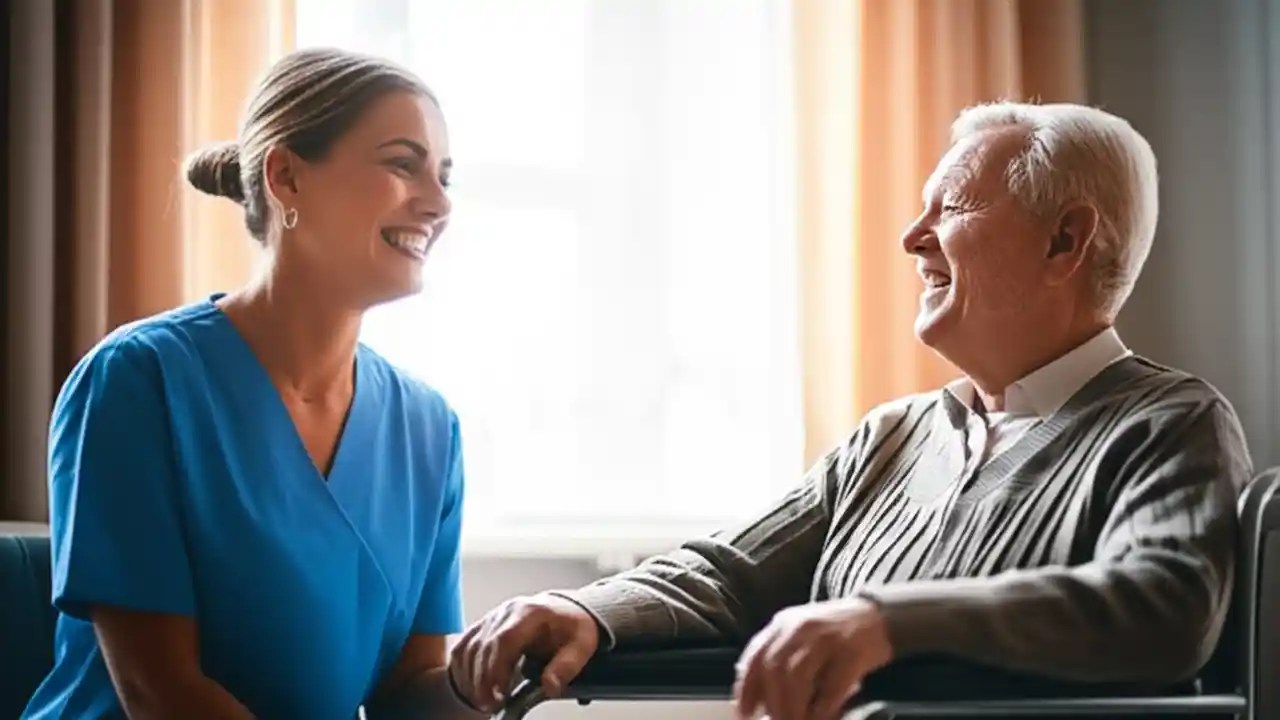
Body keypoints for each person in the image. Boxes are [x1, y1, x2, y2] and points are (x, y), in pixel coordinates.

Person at [450, 102, 1254, 720]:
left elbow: (1162, 606)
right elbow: (729, 574)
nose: (913, 238)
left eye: (953, 207)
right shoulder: (891, 438)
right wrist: (584, 609)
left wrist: (883, 622)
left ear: (1064, 242)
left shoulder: (1168, 422)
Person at [23, 48, 482, 720]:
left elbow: (405, 695)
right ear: (286, 176)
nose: (439, 202)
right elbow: (161, 694)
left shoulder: (430, 431)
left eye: (444, 175)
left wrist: (490, 674)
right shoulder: (138, 381)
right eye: (401, 163)